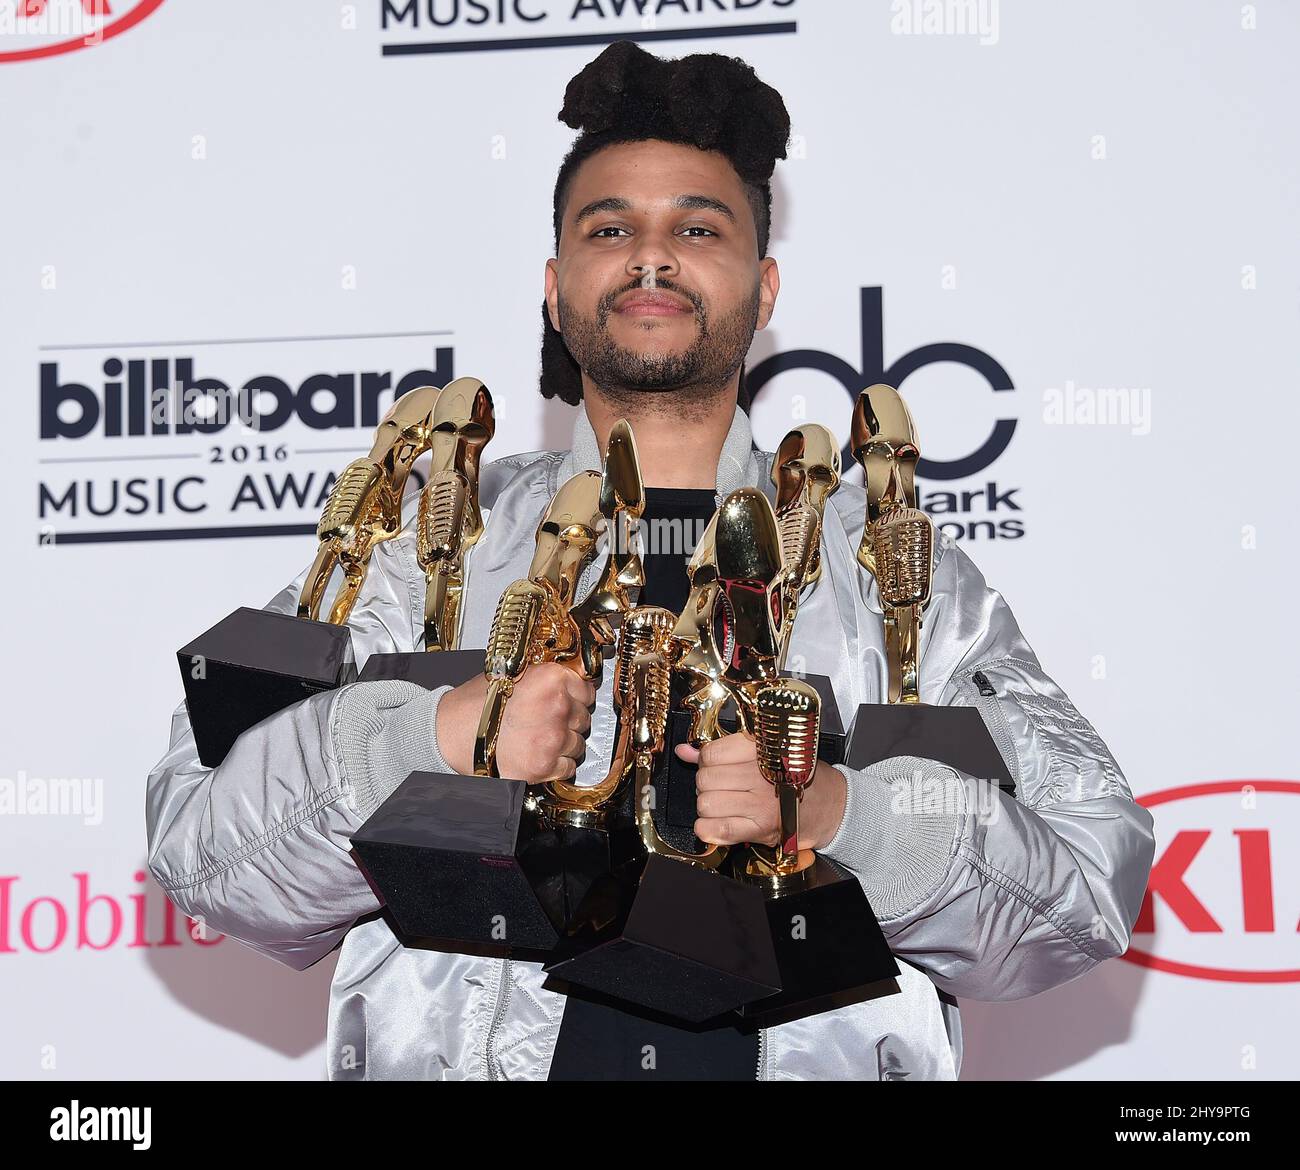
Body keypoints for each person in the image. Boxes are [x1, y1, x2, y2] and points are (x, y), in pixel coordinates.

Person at [145, 41, 1156, 1081]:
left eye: (698, 226)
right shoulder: (425, 548)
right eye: (610, 227)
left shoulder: (889, 572)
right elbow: (203, 853)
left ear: (764, 289)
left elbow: (1084, 893)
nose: (652, 255)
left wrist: (841, 810)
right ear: (555, 284)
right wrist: (438, 732)